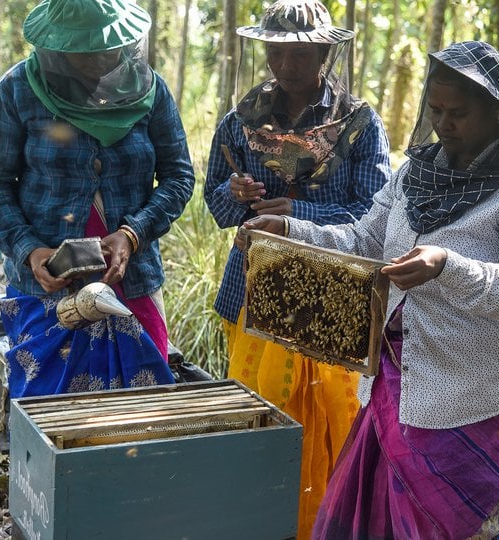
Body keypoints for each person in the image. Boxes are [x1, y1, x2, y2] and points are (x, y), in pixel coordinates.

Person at [238, 40, 499, 539]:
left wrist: (446, 265)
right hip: (395, 380)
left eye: (459, 113)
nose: (445, 123)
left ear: (497, 115)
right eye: (436, 109)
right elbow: (363, 239)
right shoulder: (415, 173)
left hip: (474, 398)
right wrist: (291, 232)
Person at [203, 0, 391, 537]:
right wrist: (234, 192)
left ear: (327, 52)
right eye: (276, 51)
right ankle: (254, 519)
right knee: (257, 413)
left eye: (300, 53)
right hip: (251, 282)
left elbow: (376, 210)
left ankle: (323, 523)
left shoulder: (359, 121)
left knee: (327, 416)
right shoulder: (240, 119)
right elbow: (215, 208)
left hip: (327, 290)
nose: (286, 64)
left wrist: (301, 214)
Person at [0, 0, 195, 398]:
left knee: (140, 415)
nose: (97, 62)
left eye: (106, 50)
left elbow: (179, 177)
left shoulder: (152, 91)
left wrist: (132, 234)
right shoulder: (16, 91)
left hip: (132, 280)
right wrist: (30, 250)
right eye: (84, 53)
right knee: (52, 418)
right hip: (46, 289)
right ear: (57, 47)